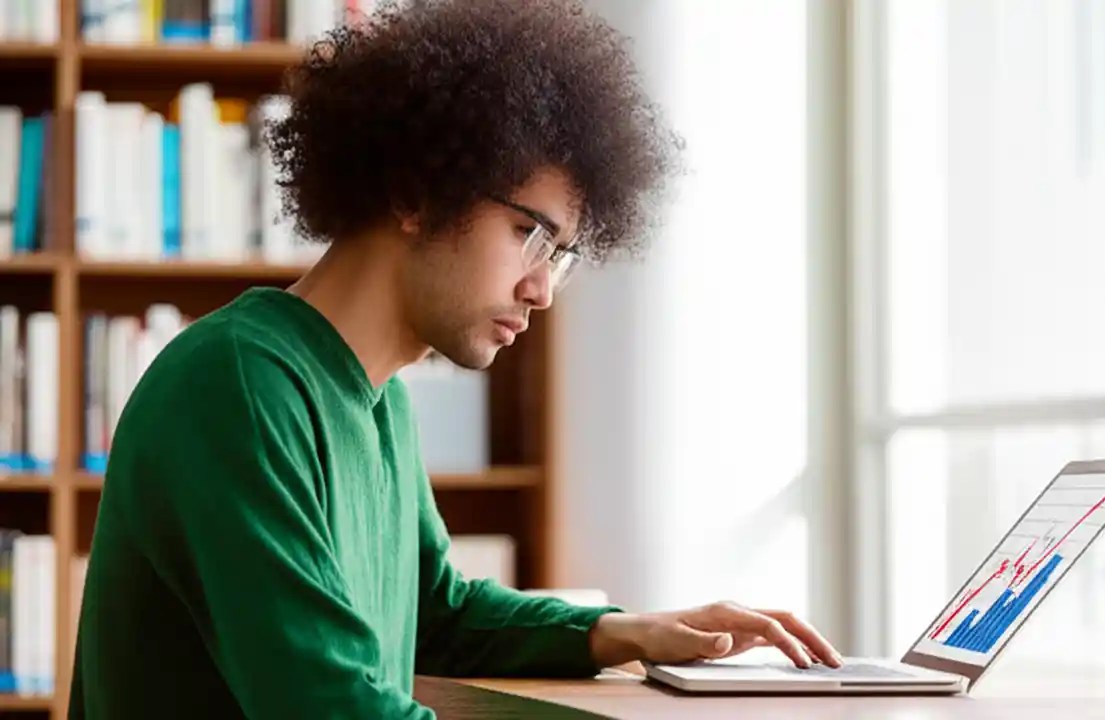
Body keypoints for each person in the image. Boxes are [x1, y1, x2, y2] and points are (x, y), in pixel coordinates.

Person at [69, 1, 841, 717]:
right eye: (531, 235)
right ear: (418, 192)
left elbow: (437, 614)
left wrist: (623, 631)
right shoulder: (240, 384)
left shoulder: (381, 401)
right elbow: (327, 703)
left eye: (561, 257)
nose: (542, 290)